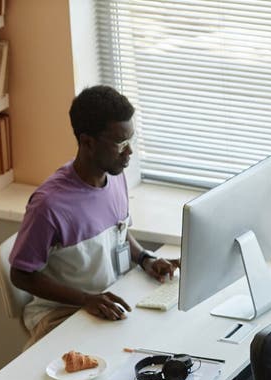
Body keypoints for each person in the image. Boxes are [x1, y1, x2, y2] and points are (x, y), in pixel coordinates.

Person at [9, 85, 178, 348]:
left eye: (130, 140)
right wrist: (86, 298)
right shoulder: (49, 205)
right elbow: (21, 275)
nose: (129, 152)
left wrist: (146, 259)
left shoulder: (115, 176)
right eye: (121, 143)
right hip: (63, 314)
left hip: (111, 300)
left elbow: (119, 232)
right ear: (88, 142)